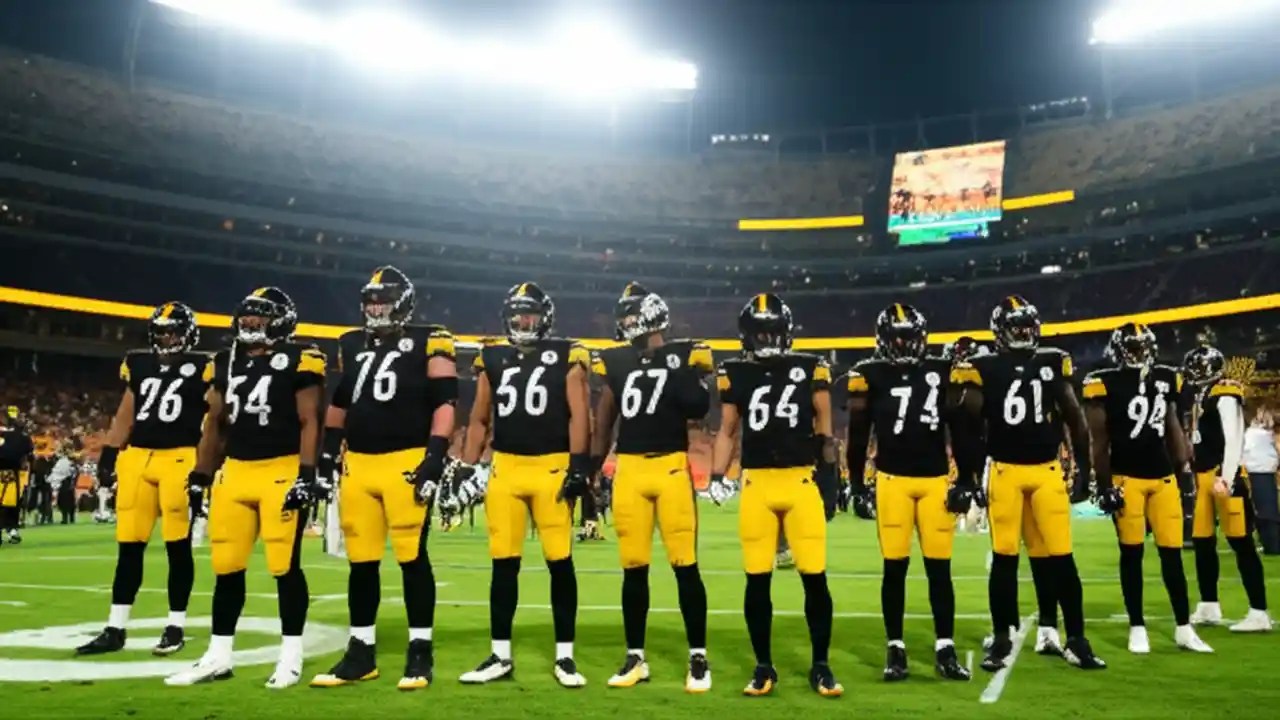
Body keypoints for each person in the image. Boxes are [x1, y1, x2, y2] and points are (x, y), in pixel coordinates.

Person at [165, 287, 327, 689]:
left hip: (280, 468)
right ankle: (218, 655)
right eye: (248, 315)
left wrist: (307, 474)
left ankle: (291, 655)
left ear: (282, 321)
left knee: (284, 567)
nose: (251, 322)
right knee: (226, 567)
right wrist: (202, 474)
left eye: (262, 316)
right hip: (235, 471)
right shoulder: (225, 361)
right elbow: (215, 422)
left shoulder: (300, 358)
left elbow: (311, 420)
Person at [309, 266, 458, 690]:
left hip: (405, 459)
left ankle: (420, 651)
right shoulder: (352, 342)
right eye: (371, 300)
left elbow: (446, 401)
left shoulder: (432, 338)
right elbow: (341, 401)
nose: (376, 307)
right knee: (361, 563)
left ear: (403, 302)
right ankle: (360, 652)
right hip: (358, 462)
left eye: (384, 299)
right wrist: (327, 452)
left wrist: (435, 454)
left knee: (411, 558)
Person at [956, 296, 1104, 671]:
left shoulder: (1051, 361)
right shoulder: (982, 367)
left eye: (1027, 326)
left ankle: (1077, 639)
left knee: (1062, 557)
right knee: (1005, 558)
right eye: (1016, 327)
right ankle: (1003, 638)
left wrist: (1085, 471)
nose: (1023, 334)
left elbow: (1075, 419)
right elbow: (968, 427)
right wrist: (969, 475)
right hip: (1005, 470)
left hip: (1045, 470)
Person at [456, 282, 591, 688]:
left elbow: (578, 414)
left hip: (550, 467)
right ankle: (500, 655)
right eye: (517, 313)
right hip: (506, 468)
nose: (522, 321)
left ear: (544, 317)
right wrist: (467, 466)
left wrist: (579, 465)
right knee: (503, 564)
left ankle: (565, 656)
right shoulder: (493, 355)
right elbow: (479, 418)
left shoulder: (567, 353)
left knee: (559, 562)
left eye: (529, 313)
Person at [710, 293, 842, 698]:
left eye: (773, 331)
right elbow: (728, 430)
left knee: (815, 578)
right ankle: (763, 665)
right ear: (747, 336)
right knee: (757, 580)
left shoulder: (810, 366)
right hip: (758, 483)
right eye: (760, 332)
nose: (767, 339)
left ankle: (821, 664)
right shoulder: (735, 372)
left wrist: (831, 476)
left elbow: (824, 427)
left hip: (800, 480)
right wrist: (717, 473)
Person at [592, 282, 713, 692]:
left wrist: (682, 368)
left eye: (631, 315)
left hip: (671, 468)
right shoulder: (617, 361)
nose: (625, 323)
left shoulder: (681, 354)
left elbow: (699, 407)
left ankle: (698, 656)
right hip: (629, 468)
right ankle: (635, 656)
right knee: (633, 568)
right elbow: (605, 419)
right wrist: (590, 467)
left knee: (685, 566)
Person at [847, 304, 977, 683]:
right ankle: (896, 648)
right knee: (895, 570)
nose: (904, 346)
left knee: (940, 571)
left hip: (934, 479)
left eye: (909, 338)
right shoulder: (869, 375)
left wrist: (966, 478)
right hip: (892, 481)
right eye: (897, 339)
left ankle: (945, 647)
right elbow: (857, 436)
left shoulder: (942, 369)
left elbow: (962, 427)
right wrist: (857, 483)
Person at [76, 302, 210, 657]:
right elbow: (127, 409)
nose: (167, 338)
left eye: (173, 331)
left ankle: (175, 625)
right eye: (161, 331)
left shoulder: (204, 366)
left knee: (177, 545)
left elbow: (217, 415)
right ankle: (115, 627)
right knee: (129, 546)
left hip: (180, 457)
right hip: (136, 457)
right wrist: (109, 451)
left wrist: (207, 466)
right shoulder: (138, 362)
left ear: (188, 333)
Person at [1084, 323, 1212, 654]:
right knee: (1132, 554)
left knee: (1172, 556)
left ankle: (1184, 627)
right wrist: (1102, 481)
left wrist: (1185, 469)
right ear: (1120, 349)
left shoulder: (1167, 378)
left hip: (1162, 477)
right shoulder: (1104, 382)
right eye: (1133, 347)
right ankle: (1137, 626)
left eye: (1144, 346)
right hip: (1127, 478)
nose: (1140, 352)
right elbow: (1098, 440)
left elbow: (1173, 426)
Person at [1183, 346, 1270, 632]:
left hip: (1222, 475)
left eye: (1197, 367)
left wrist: (1228, 476)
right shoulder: (1204, 395)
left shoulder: (1224, 392)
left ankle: (1259, 612)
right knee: (1203, 541)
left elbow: (1233, 437)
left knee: (1241, 542)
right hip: (1205, 476)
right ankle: (1209, 605)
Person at [1243, 407, 1280, 555]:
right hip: (1261, 471)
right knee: (1265, 510)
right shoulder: (1260, 433)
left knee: (1265, 512)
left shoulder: (1258, 433)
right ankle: (1271, 543)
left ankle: (1272, 545)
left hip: (1259, 471)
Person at [0, 405, 34, 545]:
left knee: (3, 502)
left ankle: (8, 529)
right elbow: (29, 456)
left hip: (5, 472)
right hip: (15, 473)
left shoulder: (4, 434)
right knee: (12, 502)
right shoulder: (24, 437)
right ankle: (12, 529)